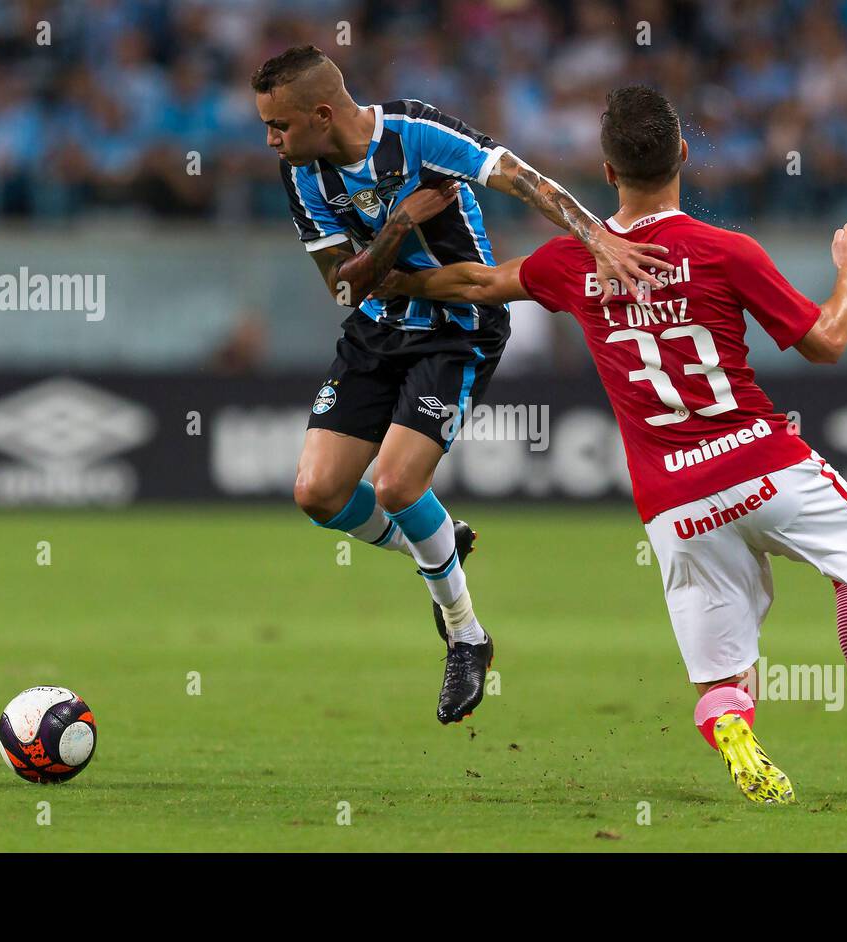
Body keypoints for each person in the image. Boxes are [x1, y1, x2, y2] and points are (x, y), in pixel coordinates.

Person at [381, 86, 847, 803]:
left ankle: (733, 731)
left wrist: (389, 276)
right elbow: (825, 343)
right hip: (761, 460)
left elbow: (477, 282)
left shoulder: (571, 261)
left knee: (720, 679)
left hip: (674, 500)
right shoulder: (727, 251)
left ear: (606, 171)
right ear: (683, 154)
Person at [253, 47, 670, 725]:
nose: (271, 139)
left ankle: (466, 634)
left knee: (394, 486)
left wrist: (597, 237)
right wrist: (401, 221)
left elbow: (522, 178)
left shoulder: (416, 134)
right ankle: (440, 540)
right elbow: (343, 285)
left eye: (279, 125)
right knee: (317, 493)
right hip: (377, 326)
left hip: (458, 325)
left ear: (322, 114)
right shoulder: (301, 174)